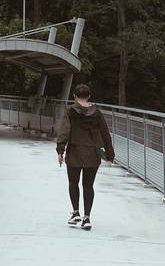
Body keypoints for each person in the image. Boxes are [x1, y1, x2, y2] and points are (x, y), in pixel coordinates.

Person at [55, 83, 115, 230]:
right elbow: (105, 134)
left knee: (73, 183)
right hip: (92, 154)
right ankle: (87, 218)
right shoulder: (97, 113)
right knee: (88, 186)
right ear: (89, 96)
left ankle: (75, 213)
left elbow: (64, 132)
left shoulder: (70, 111)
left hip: (74, 152)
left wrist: (60, 150)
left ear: (74, 96)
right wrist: (109, 153)